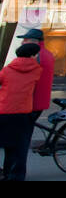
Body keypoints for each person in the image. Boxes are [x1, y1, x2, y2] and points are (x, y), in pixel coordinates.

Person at [0, 43, 43, 181]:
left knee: (7, 144)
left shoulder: (7, 70)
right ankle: (15, 176)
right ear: (32, 56)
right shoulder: (37, 71)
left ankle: (6, 172)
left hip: (4, 112)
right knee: (19, 146)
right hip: (23, 113)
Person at [18, 29, 54, 138]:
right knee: (26, 128)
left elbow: (24, 77)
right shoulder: (47, 54)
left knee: (22, 132)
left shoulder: (35, 55)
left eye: (25, 40)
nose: (22, 42)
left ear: (34, 41)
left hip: (32, 100)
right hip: (40, 100)